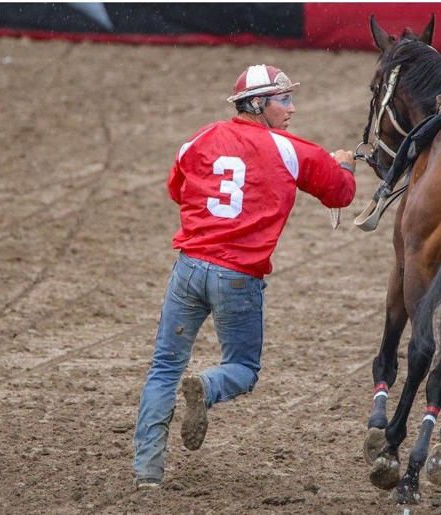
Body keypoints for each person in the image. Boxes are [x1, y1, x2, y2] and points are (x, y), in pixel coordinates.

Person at [132, 64, 356, 489]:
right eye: (283, 99)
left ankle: (147, 471)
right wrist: (343, 165)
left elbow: (177, 188)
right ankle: (208, 387)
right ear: (258, 104)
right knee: (242, 368)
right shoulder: (292, 150)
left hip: (189, 268)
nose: (292, 107)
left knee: (163, 367)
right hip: (238, 276)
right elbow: (341, 193)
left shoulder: (201, 138)